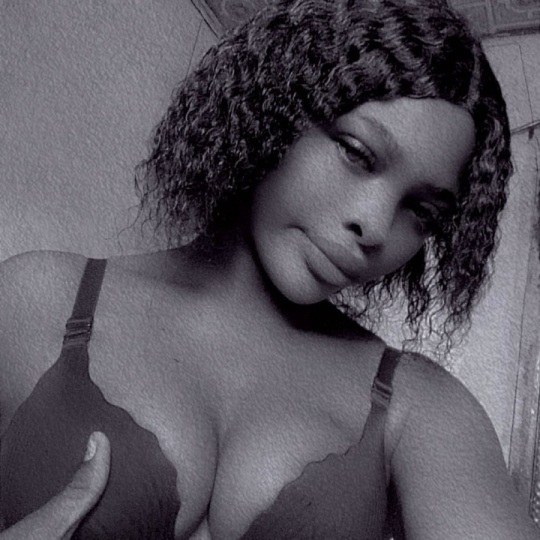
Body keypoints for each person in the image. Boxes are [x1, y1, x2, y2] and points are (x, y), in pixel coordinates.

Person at [0, 0, 538, 538]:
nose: (375, 226)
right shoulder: (36, 300)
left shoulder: (419, 409)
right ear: (275, 109)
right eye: (356, 153)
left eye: (420, 211)